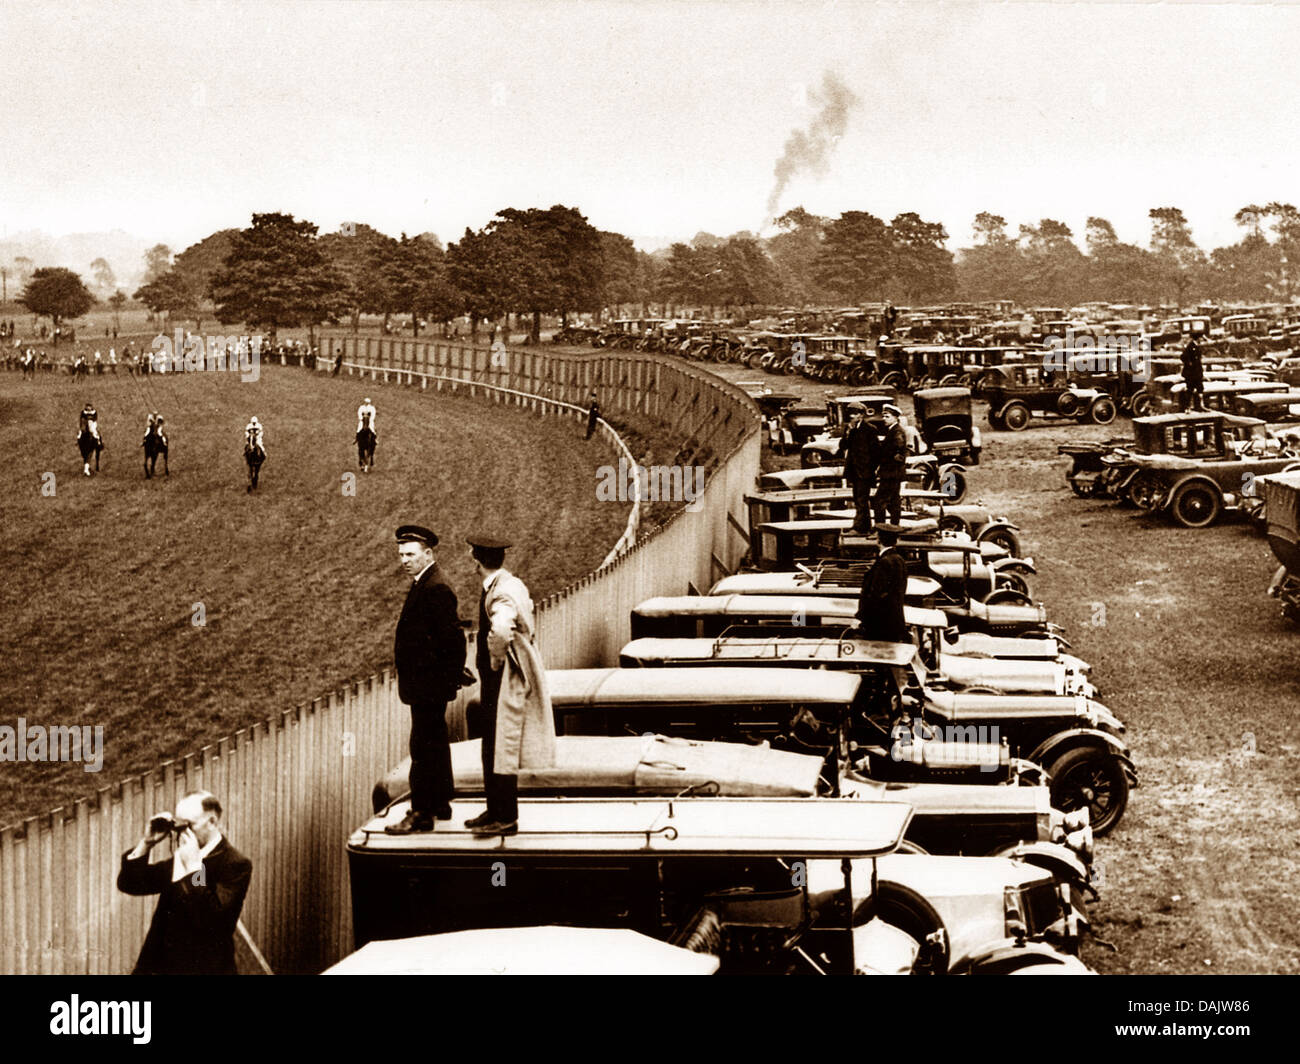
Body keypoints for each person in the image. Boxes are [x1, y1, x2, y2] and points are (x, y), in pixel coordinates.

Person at [464, 535, 555, 837]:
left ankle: (505, 817)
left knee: (501, 742)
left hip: (503, 678)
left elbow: (502, 629)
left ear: (476, 561)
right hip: (504, 676)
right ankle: (495, 809)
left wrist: (494, 660)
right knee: (493, 743)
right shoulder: (511, 583)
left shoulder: (501, 593)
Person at [116, 790, 253, 975]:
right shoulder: (184, 855)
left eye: (189, 825)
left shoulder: (235, 863)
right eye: (178, 825)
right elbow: (130, 883)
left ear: (212, 822)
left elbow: (214, 921)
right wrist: (146, 843)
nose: (182, 833)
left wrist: (194, 870)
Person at [387, 525, 466, 834]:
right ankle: (440, 803)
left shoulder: (435, 588)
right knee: (435, 742)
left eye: (410, 554)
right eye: (401, 555)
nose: (404, 561)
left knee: (422, 746)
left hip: (428, 686)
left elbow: (452, 640)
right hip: (429, 684)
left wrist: (447, 679)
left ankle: (421, 813)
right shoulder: (428, 581)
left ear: (428, 553)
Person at [856, 525, 910, 644]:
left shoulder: (884, 562)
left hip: (879, 624)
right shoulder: (899, 560)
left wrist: (862, 617)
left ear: (879, 540)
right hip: (894, 622)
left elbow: (875, 594)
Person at [837, 403, 878, 534]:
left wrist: (870, 469)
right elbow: (843, 446)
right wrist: (847, 433)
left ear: (861, 415)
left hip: (865, 471)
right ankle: (864, 526)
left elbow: (875, 452)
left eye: (854, 414)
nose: (851, 416)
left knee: (862, 499)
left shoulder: (870, 429)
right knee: (858, 499)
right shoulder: (850, 429)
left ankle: (859, 527)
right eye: (850, 414)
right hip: (853, 470)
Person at [872, 405, 908, 527]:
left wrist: (883, 456)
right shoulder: (893, 430)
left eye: (887, 416)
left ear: (895, 418)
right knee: (894, 502)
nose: (884, 419)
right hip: (894, 473)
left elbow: (897, 450)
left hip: (891, 473)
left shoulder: (897, 432)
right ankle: (894, 527)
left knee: (879, 501)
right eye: (883, 416)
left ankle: (880, 527)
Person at [1181, 337, 1205, 412]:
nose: (1202, 339)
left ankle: (1199, 406)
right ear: (1198, 338)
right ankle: (1187, 407)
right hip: (1191, 373)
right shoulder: (1190, 346)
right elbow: (1183, 357)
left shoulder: (1197, 346)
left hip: (1197, 373)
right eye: (1201, 338)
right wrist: (1189, 364)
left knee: (1200, 389)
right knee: (1190, 389)